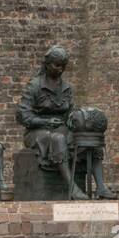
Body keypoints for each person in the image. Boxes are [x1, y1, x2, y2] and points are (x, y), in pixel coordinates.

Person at [17, 45, 87, 200]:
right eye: (56, 65)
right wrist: (45, 121)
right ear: (47, 64)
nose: (60, 69)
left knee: (86, 137)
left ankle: (100, 186)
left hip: (61, 128)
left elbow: (70, 112)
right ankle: (72, 188)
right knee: (58, 139)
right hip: (36, 132)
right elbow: (23, 115)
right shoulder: (34, 86)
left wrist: (75, 118)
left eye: (63, 66)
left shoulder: (66, 88)